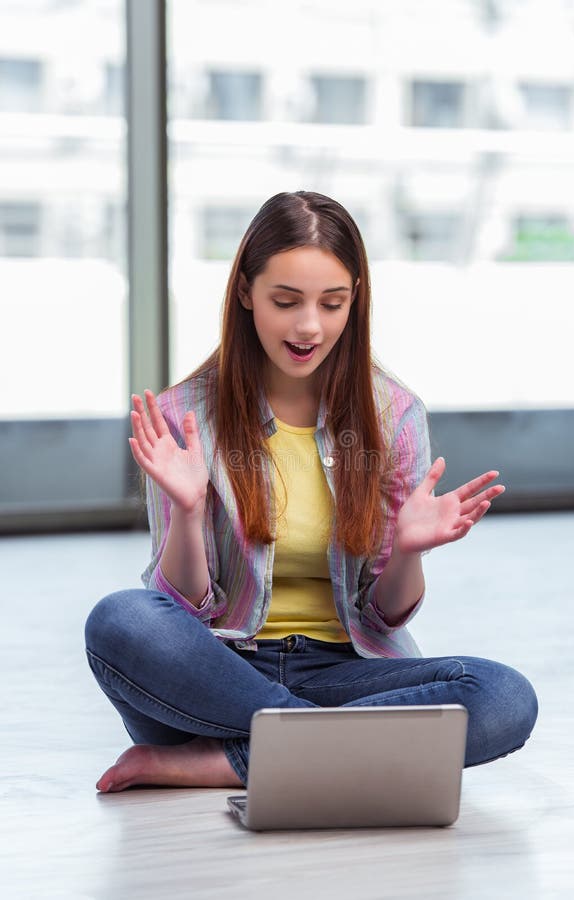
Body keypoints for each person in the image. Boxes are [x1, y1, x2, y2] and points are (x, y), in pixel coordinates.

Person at [84, 190, 538, 793]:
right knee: (122, 621)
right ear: (246, 293)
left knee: (504, 697)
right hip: (218, 672)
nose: (309, 326)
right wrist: (189, 513)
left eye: (332, 303)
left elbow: (384, 614)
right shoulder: (185, 415)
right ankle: (323, 748)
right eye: (286, 301)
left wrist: (409, 552)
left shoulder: (393, 416)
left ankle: (229, 760)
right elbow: (185, 610)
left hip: (345, 673)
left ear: (356, 300)